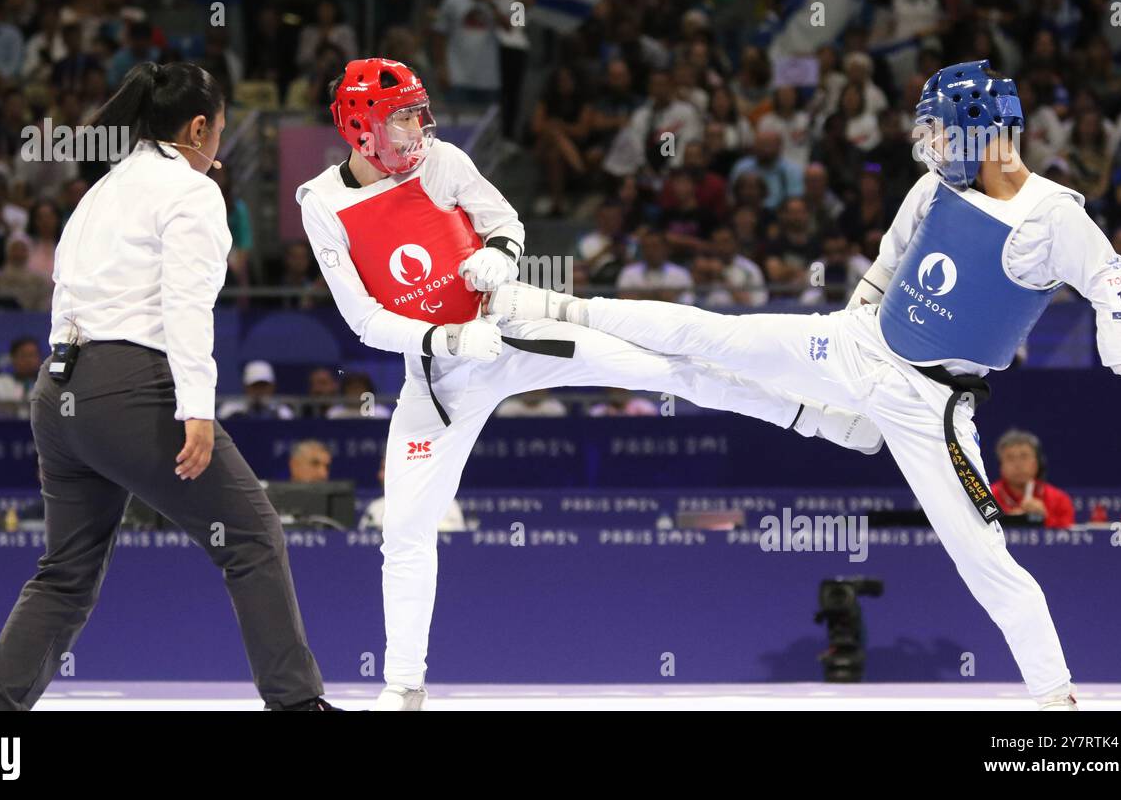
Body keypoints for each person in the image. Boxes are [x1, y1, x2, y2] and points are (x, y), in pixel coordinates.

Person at [491, 60, 1121, 710]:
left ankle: (1056, 700)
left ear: (984, 131)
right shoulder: (932, 189)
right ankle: (557, 309)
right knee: (712, 343)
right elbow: (887, 266)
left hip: (931, 406)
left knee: (983, 559)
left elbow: (1112, 281)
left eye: (943, 132)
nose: (931, 145)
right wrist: (844, 346)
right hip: (856, 347)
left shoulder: (1052, 216)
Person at [296, 57, 881, 711]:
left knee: (665, 370)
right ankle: (403, 686)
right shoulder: (323, 205)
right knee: (404, 530)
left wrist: (499, 253)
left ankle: (814, 416)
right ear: (361, 127)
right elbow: (365, 320)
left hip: (512, 318)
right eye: (402, 117)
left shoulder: (441, 159)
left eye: (417, 114)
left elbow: (507, 221)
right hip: (438, 374)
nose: (417, 130)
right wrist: (449, 340)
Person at [0, 62, 335, 712]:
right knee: (252, 539)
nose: (217, 149)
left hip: (59, 393)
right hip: (131, 388)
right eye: (218, 132)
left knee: (65, 574)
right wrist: (195, 410)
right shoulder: (190, 194)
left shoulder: (102, 190)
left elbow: (68, 299)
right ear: (198, 127)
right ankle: (299, 708)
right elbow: (186, 308)